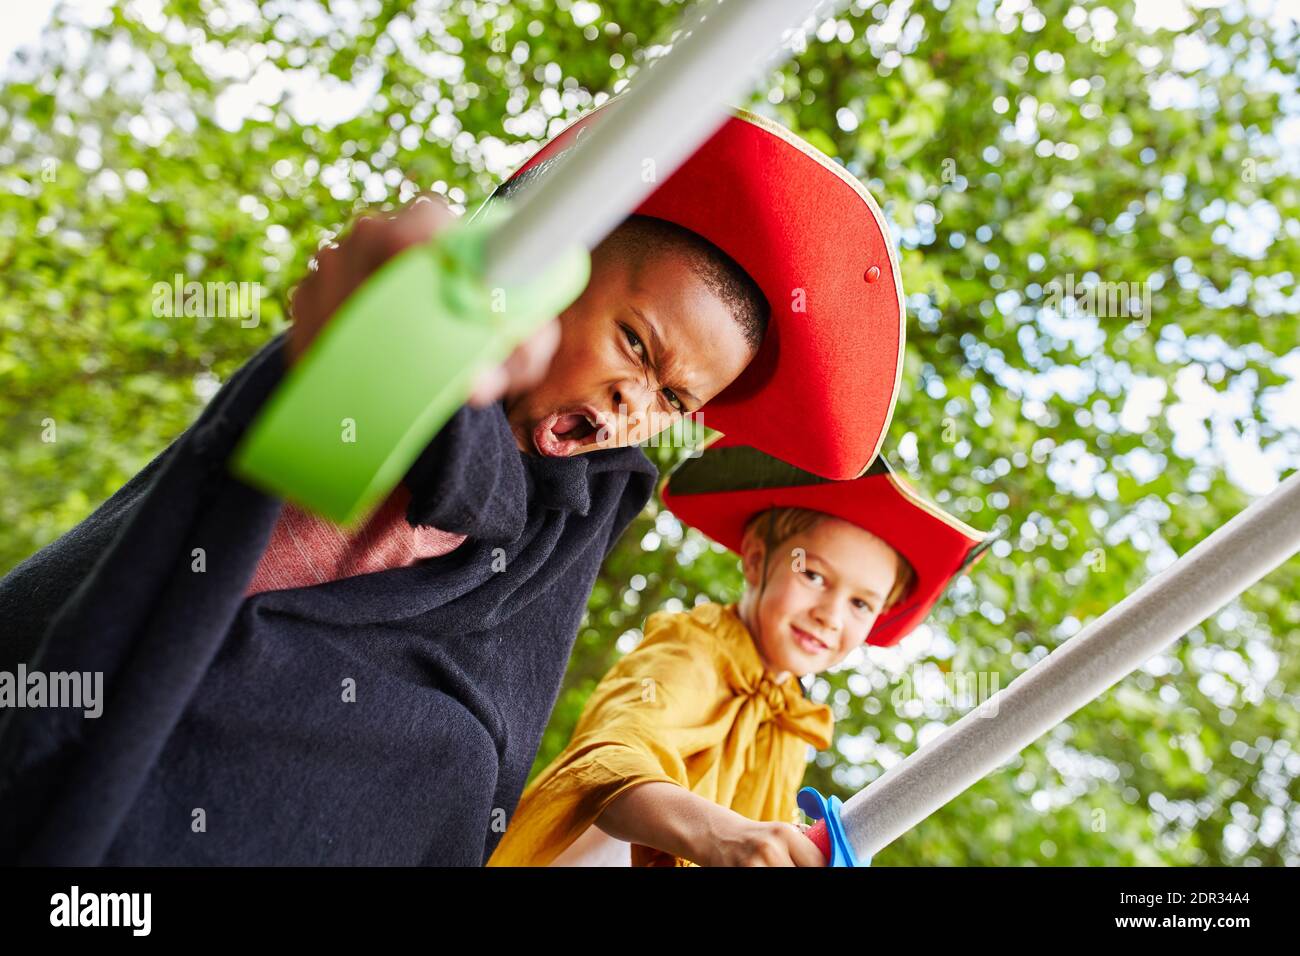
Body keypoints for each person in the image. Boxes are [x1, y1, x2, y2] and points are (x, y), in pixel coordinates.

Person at [0, 97, 905, 865]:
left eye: (673, 397)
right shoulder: (425, 364)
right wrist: (408, 299)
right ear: (555, 277)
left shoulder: (567, 519)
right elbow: (386, 343)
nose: (637, 402)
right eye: (635, 344)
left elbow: (469, 751)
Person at [487, 436, 992, 867]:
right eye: (813, 575)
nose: (830, 615)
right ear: (755, 560)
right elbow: (607, 763)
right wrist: (722, 834)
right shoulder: (695, 647)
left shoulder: (788, 724)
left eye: (862, 604)